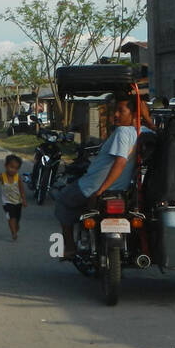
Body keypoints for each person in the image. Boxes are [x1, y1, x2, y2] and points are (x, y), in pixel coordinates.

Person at [54, 89, 152, 260]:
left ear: (135, 113)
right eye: (115, 110)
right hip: (121, 191)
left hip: (93, 187)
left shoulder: (123, 132)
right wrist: (148, 119)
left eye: (121, 111)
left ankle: (69, 247)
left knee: (62, 200)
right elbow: (158, 133)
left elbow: (120, 162)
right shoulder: (146, 132)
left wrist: (100, 190)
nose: (115, 115)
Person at [0, 153, 28, 241]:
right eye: (11, 167)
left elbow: (21, 189)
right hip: (7, 202)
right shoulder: (1, 176)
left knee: (17, 218)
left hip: (17, 202)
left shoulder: (17, 178)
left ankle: (16, 226)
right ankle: (13, 233)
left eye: (16, 168)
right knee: (11, 217)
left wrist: (24, 199)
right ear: (6, 166)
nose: (13, 170)